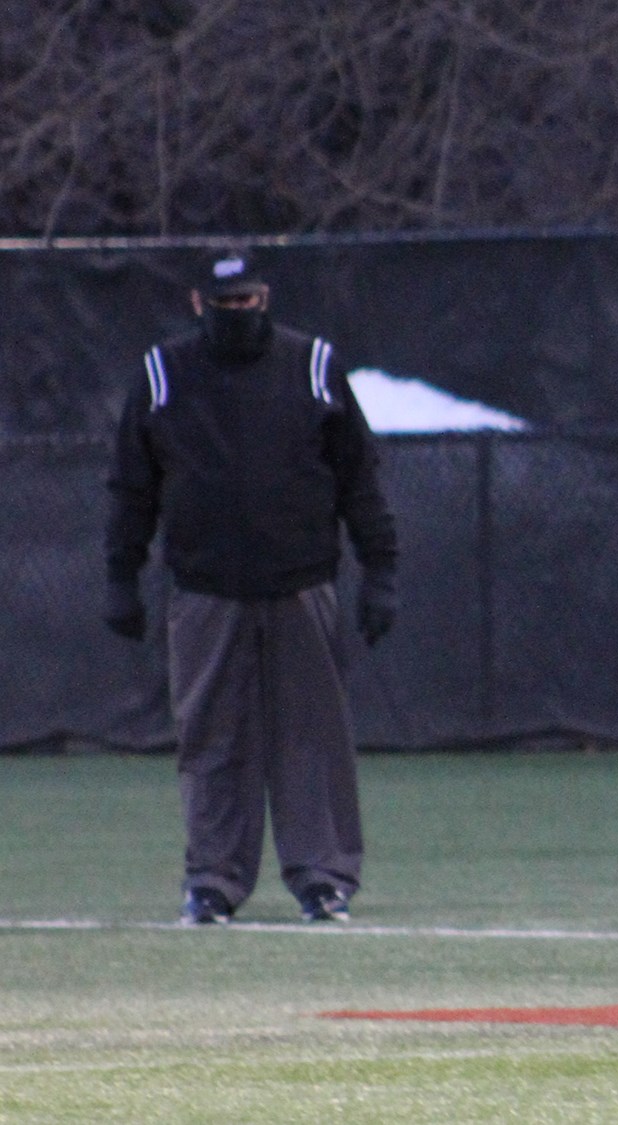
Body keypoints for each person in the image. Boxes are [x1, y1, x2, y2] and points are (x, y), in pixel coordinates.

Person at [104, 250, 397, 927]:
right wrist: (122, 573)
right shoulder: (163, 375)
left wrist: (380, 569)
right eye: (225, 302)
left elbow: (359, 477)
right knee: (211, 735)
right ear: (198, 303)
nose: (239, 314)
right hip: (205, 589)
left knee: (312, 734)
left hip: (300, 583)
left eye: (249, 300)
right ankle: (213, 879)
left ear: (265, 297)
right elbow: (131, 485)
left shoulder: (314, 367)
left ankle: (323, 877)